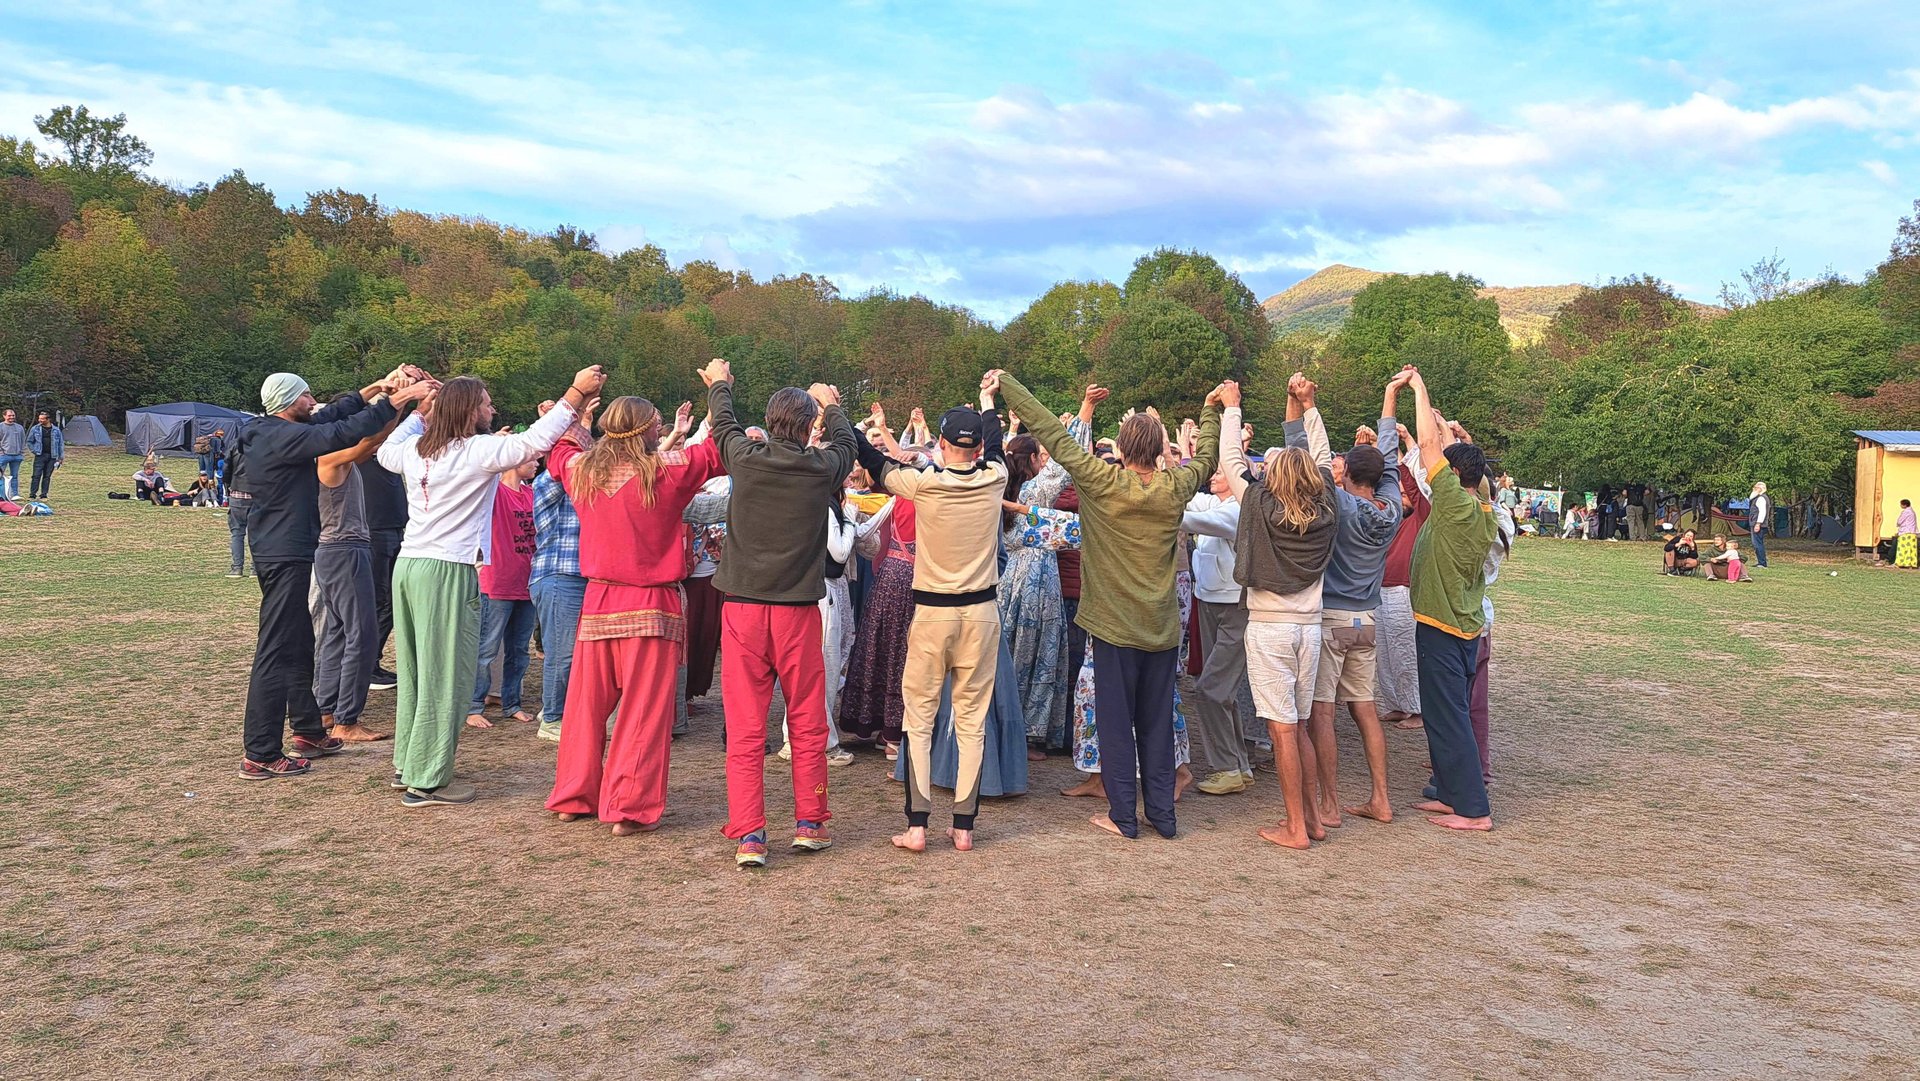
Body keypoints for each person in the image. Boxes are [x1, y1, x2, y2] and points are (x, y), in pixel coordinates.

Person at [998, 372, 1221, 841]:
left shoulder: (1101, 481)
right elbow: (1206, 458)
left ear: (1119, 448)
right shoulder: (1173, 487)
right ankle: (1163, 816)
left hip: (1113, 630)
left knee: (1117, 725)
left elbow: (1053, 435)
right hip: (1159, 629)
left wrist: (1009, 385)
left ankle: (1123, 817)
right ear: (1160, 451)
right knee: (1157, 724)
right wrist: (1211, 408)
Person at [377, 366, 599, 806]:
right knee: (447, 677)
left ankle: (409, 763)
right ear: (468, 412)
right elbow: (533, 441)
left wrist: (421, 412)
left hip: (409, 567)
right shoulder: (475, 451)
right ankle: (427, 778)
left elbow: (386, 449)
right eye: (485, 402)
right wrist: (574, 393)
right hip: (446, 571)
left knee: (419, 672)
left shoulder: (415, 451)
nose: (491, 408)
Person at [545, 394, 726, 834]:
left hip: (599, 602)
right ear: (644, 429)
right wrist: (720, 388)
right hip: (651, 606)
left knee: (585, 708)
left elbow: (558, 450)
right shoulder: (666, 471)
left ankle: (574, 795)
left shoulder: (582, 471)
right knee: (643, 713)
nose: (660, 430)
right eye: (656, 424)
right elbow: (720, 449)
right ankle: (627, 808)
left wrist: (578, 402)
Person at [703, 359, 857, 867]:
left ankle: (750, 833)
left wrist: (721, 382)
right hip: (796, 613)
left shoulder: (744, 458)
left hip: (744, 610)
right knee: (807, 718)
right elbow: (848, 445)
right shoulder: (820, 469)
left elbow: (722, 422)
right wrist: (831, 405)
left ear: (769, 423)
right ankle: (810, 821)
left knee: (746, 725)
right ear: (808, 426)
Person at [237, 371, 426, 780]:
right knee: (275, 650)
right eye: (308, 395)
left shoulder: (282, 429)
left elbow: (338, 414)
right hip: (283, 553)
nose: (314, 401)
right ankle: (261, 752)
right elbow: (345, 430)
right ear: (291, 401)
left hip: (293, 550)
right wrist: (401, 399)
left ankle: (308, 730)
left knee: (301, 640)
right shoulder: (282, 438)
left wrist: (378, 387)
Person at [857, 373, 1010, 853]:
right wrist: (988, 400)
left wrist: (840, 418)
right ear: (978, 446)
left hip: (933, 614)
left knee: (919, 720)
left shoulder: (925, 484)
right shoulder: (995, 478)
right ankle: (963, 826)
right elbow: (999, 444)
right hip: (982, 613)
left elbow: (874, 463)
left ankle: (917, 825)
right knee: (970, 721)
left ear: (941, 443)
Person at [1219, 376, 1339, 850]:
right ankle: (1311, 818)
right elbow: (1325, 459)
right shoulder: (1327, 504)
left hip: (1270, 629)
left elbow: (1230, 460)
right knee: (1301, 724)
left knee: (1282, 729)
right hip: (1310, 628)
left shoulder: (1257, 503)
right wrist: (1307, 407)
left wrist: (1232, 407)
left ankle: (1294, 828)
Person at [1302, 371, 1407, 827]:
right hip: (1368, 618)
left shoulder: (1341, 505)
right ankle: (1380, 797)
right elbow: (1388, 456)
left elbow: (1313, 461)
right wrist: (1390, 396)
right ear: (1381, 478)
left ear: (1348, 476)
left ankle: (1328, 802)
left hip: (1332, 618)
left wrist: (1305, 408)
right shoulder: (1392, 508)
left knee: (1322, 713)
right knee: (1365, 708)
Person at [1404, 367, 1496, 832]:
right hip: (1462, 625)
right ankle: (1447, 791)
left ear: (1453, 474)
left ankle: (1474, 811)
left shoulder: (1456, 504)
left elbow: (1427, 449)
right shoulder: (1482, 506)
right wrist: (1447, 428)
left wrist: (1419, 390)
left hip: (1442, 625)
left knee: (1450, 718)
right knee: (1443, 714)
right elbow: (1464, 463)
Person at [997, 385, 1103, 756]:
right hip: (1038, 579)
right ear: (1032, 461)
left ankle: (1001, 722)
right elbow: (1066, 461)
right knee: (1038, 655)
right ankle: (1031, 733)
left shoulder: (999, 486)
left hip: (1006, 580)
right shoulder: (1034, 493)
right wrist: (1085, 410)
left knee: (1008, 652)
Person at [312, 413, 404, 744]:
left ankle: (325, 709)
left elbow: (371, 444)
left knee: (338, 632)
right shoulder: (330, 457)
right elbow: (369, 442)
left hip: (340, 553)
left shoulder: (338, 458)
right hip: (344, 551)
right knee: (361, 635)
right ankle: (346, 720)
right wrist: (401, 406)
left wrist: (398, 410)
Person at [529, 407, 590, 743]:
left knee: (573, 652)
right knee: (562, 652)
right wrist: (575, 426)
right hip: (558, 575)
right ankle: (553, 718)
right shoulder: (547, 481)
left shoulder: (578, 484)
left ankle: (554, 709)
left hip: (577, 576)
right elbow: (563, 468)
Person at [468, 460, 541, 728]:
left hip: (526, 582)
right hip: (497, 582)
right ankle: (474, 705)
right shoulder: (494, 492)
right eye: (530, 458)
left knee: (519, 650)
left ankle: (512, 704)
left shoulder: (532, 493)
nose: (536, 463)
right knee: (486, 649)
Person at [1377, 427, 1428, 731]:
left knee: (1405, 651)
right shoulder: (1391, 515)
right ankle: (1396, 703)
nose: (1403, 497)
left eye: (1406, 494)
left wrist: (1404, 444)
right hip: (1380, 589)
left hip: (1403, 589)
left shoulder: (1423, 514)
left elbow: (1416, 485)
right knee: (1385, 652)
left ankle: (1417, 709)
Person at [26, 412, 62, 501]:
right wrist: (34, 450)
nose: (40, 420)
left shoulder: (56, 430)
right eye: (39, 418)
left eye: (42, 419)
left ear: (48, 419)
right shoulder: (35, 429)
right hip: (39, 455)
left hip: (52, 456)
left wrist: (60, 457)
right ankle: (32, 495)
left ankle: (43, 495)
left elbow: (60, 445)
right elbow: (29, 441)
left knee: (47, 476)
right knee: (36, 475)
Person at [0, 408, 23, 500]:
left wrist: (21, 452)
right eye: (9, 415)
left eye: (13, 415)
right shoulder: (1, 427)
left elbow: (23, 440)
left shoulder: (19, 427)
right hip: (3, 455)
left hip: (17, 456)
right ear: (4, 416)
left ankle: (14, 494)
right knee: (0, 475)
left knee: (14, 476)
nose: (11, 417)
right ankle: (1, 494)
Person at [1748, 482, 1772, 569]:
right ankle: (1761, 562)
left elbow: (1762, 512)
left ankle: (1762, 563)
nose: (1754, 489)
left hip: (1758, 524)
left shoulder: (1761, 498)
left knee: (1757, 543)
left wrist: (1758, 524)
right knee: (1757, 543)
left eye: (1756, 487)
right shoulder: (1758, 498)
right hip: (1756, 523)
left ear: (1760, 489)